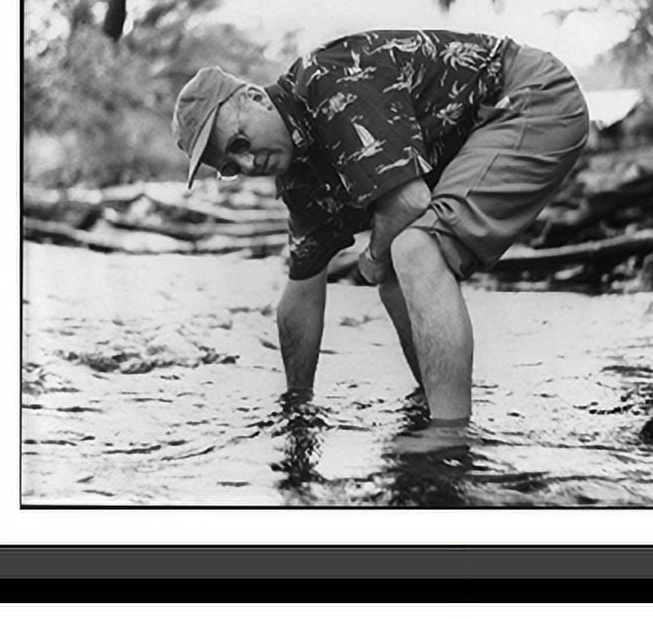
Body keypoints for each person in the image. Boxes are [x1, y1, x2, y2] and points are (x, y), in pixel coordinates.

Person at [171, 29, 589, 426]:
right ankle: (433, 405)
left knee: (411, 249)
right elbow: (301, 290)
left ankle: (449, 439)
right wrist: (297, 408)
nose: (247, 165)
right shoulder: (298, 181)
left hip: (529, 95)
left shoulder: (329, 81)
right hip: (486, 127)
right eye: (229, 167)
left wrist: (372, 256)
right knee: (392, 269)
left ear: (254, 97)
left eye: (239, 144)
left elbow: (410, 202)